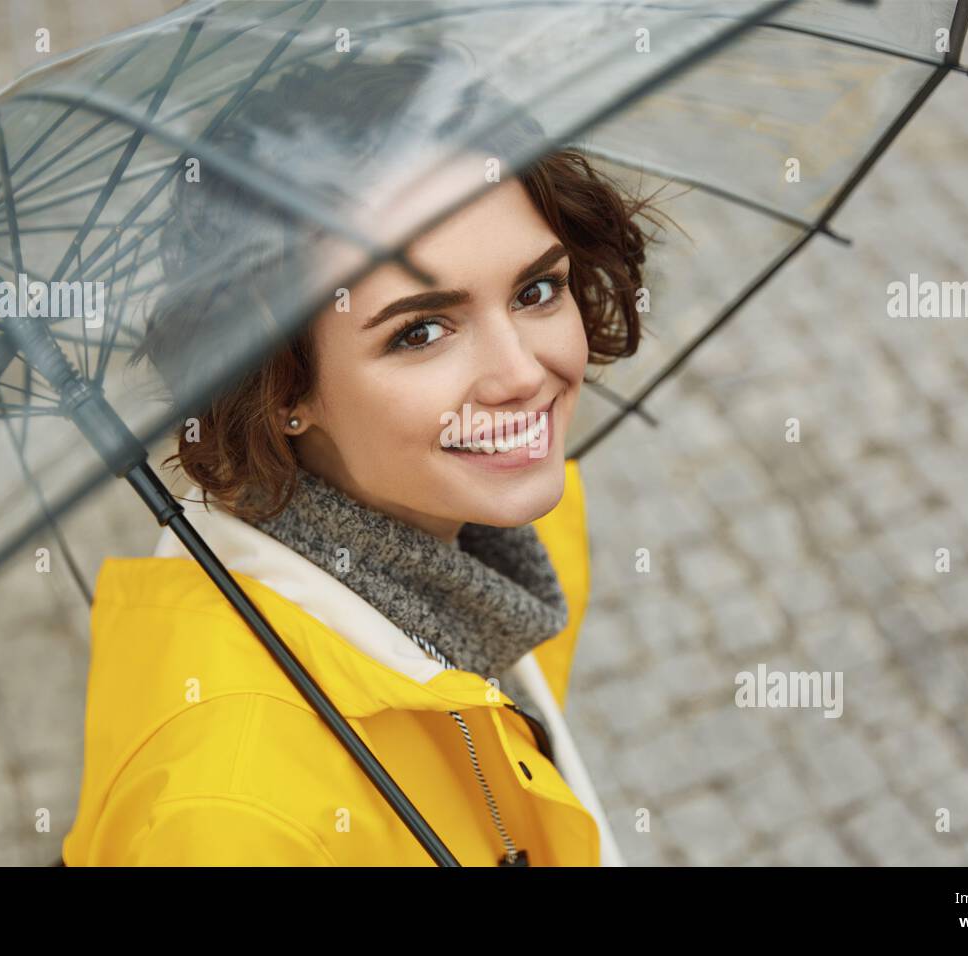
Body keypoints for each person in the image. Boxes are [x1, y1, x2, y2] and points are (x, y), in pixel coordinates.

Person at [62, 47, 671, 866]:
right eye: (420, 331)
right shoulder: (233, 822)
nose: (523, 375)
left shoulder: (512, 517)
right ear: (281, 386)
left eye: (536, 291)